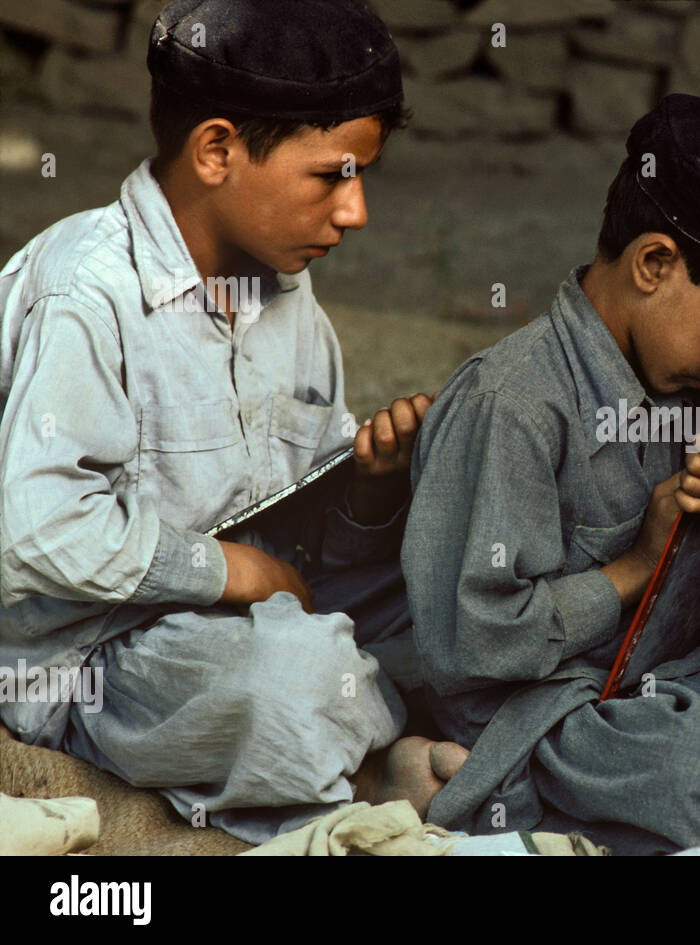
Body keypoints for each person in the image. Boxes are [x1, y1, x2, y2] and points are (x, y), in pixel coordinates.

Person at [0, 0, 461, 844]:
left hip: (247, 612)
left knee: (461, 562)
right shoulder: (87, 291)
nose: (355, 213)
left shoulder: (287, 294)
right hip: (91, 655)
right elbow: (33, 531)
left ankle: (366, 726)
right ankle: (376, 757)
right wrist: (225, 571)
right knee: (292, 677)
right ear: (217, 150)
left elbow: (301, 534)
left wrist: (372, 490)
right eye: (332, 175)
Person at [401, 94, 700, 854]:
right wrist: (634, 565)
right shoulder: (514, 402)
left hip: (672, 677)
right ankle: (448, 780)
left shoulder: (697, 397)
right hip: (547, 714)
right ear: (655, 263)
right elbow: (470, 644)